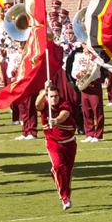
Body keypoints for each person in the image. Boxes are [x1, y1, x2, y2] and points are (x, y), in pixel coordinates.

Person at [36, 82, 77, 210]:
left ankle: (66, 193)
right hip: (53, 141)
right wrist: (44, 90)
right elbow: (37, 104)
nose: (54, 99)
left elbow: (64, 115)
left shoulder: (65, 103)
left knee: (67, 171)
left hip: (69, 142)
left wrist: (56, 120)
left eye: (56, 96)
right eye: (51, 96)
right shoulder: (45, 104)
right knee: (58, 165)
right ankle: (64, 197)